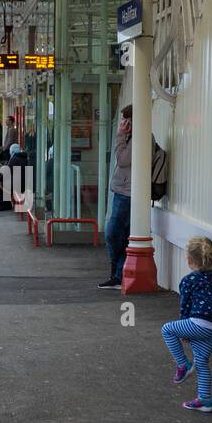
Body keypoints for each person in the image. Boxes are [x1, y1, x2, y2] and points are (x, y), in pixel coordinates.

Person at [161, 237, 212, 413]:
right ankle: (204, 400)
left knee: (167, 329)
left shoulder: (189, 280)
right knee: (203, 363)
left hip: (198, 323)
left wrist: (184, 328)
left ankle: (183, 364)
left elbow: (185, 306)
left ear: (190, 261)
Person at [98, 105, 133, 290]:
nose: (123, 124)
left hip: (127, 193)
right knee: (121, 234)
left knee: (113, 233)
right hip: (122, 191)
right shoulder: (131, 138)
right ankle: (118, 273)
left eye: (126, 120)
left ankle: (117, 272)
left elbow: (123, 160)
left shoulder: (138, 138)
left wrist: (120, 136)